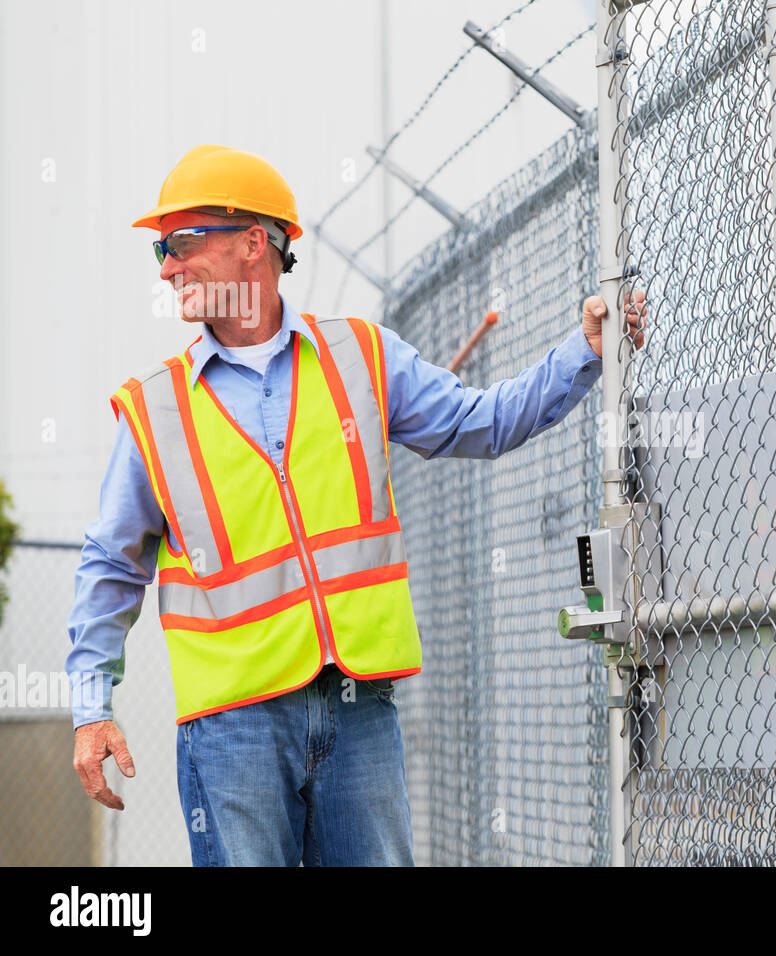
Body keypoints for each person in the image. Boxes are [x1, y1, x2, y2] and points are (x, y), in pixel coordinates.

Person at [65, 144, 646, 865]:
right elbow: (110, 566)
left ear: (255, 244)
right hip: (232, 728)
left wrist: (584, 352)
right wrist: (91, 710)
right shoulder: (155, 408)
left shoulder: (361, 357)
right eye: (162, 249)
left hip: (360, 709)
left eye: (182, 242)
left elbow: (484, 422)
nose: (166, 266)